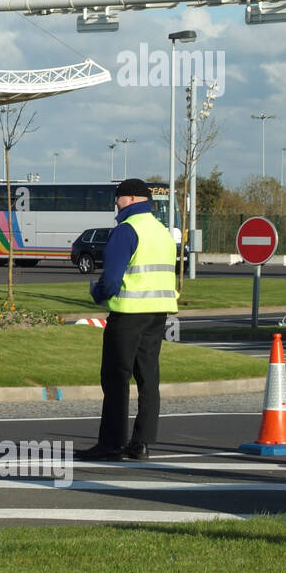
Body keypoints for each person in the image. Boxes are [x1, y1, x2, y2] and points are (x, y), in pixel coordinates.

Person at [79, 178, 179, 461]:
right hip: (157, 314)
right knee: (148, 378)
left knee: (115, 379)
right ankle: (142, 443)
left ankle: (111, 444)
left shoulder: (126, 230)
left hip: (128, 313)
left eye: (119, 198)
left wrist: (97, 294)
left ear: (132, 199)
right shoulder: (162, 232)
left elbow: (111, 279)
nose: (116, 203)